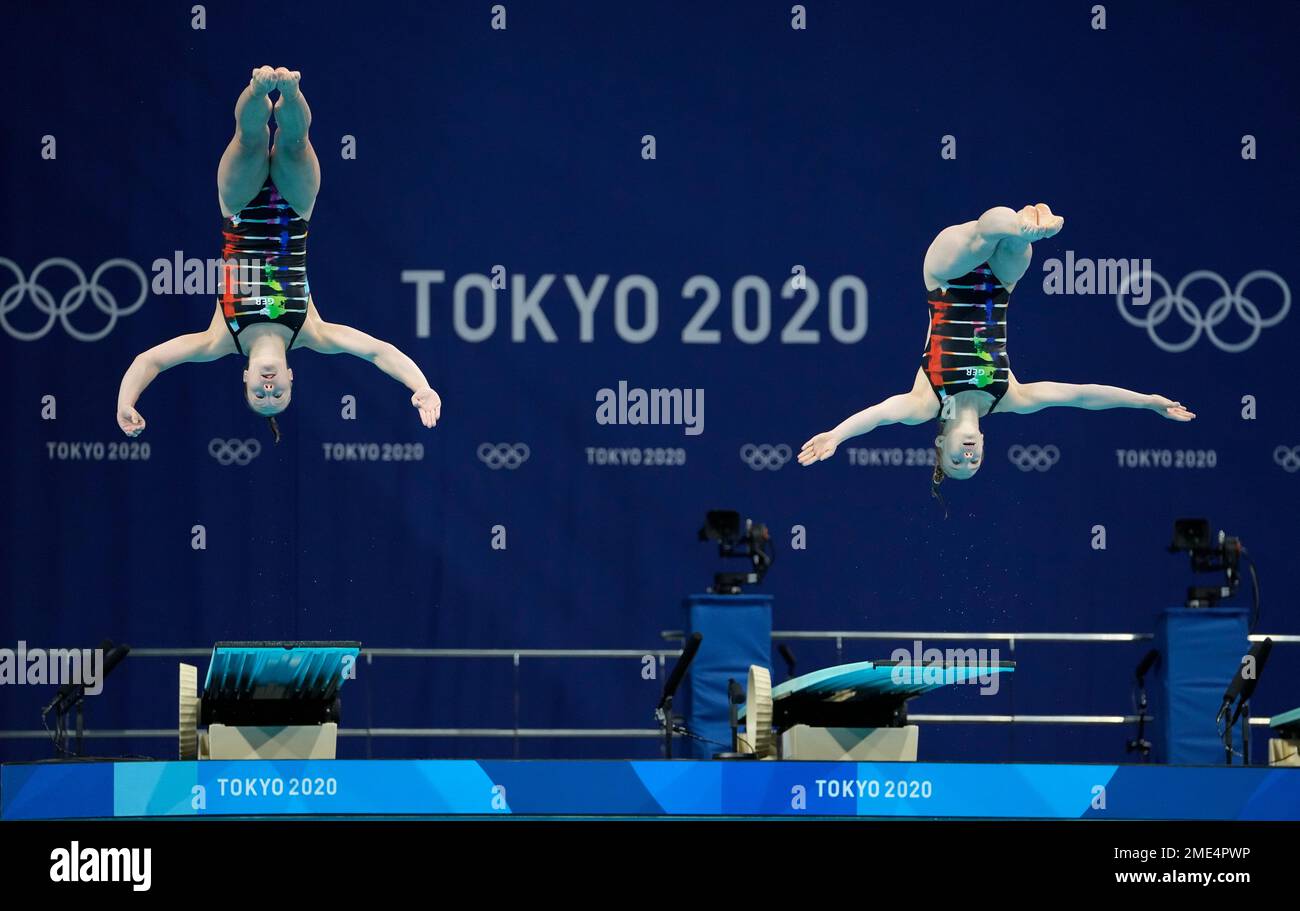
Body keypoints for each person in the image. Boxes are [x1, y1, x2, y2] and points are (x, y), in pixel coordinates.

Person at [116, 67, 441, 441]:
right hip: (294, 208)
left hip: (238, 208)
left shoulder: (220, 339)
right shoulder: (312, 332)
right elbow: (378, 352)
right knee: (295, 143)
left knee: (249, 140)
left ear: (246, 378)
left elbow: (150, 361)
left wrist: (126, 401)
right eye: (277, 393)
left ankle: (257, 90)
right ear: (290, 377)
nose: (268, 387)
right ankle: (291, 90)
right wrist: (421, 387)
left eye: (259, 393)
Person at [798, 204, 1194, 507]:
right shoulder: (1010, 398)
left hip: (944, 278)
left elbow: (880, 414)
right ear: (984, 445)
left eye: (957, 463)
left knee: (986, 232)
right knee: (1014, 247)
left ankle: (1020, 225)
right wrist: (1147, 403)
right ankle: (1027, 229)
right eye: (975, 463)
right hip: (998, 286)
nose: (967, 459)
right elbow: (1081, 395)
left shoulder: (926, 403)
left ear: (941, 448)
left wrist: (837, 435)